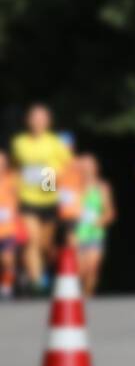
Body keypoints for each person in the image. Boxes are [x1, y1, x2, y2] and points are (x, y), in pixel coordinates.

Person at [11, 104, 73, 295]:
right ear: (28, 121)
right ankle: (37, 282)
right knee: (32, 240)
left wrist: (52, 174)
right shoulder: (20, 142)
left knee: (45, 246)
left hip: (49, 196)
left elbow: (67, 165)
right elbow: (21, 162)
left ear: (48, 122)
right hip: (28, 197)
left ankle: (39, 271)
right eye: (34, 118)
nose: (38, 122)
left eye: (42, 118)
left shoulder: (56, 142)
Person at [73, 154, 115, 296]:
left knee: (93, 267)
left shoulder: (102, 188)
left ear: (96, 169)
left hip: (95, 233)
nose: (86, 170)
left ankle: (87, 295)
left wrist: (98, 221)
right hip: (75, 234)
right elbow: (48, 190)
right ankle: (76, 294)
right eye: (83, 167)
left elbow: (110, 213)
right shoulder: (71, 186)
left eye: (89, 167)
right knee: (79, 269)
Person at [0, 152, 18, 299]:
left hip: (7, 230)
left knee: (8, 260)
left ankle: (6, 288)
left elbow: (45, 189)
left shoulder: (13, 180)